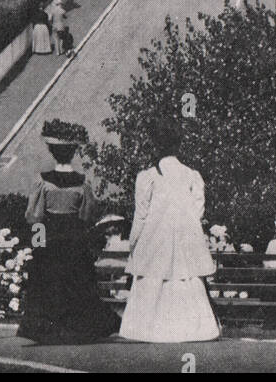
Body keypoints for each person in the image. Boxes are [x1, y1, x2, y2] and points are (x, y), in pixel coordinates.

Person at [119, 118, 220, 343]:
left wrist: (133, 245)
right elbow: (198, 212)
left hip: (154, 241)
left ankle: (151, 330)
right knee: (187, 279)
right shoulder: (192, 175)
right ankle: (191, 329)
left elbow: (141, 216)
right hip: (185, 239)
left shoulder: (148, 177)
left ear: (155, 145)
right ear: (179, 144)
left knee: (153, 279)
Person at [17, 151, 121, 344]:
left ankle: (50, 331)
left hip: (50, 238)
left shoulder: (43, 181)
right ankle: (78, 330)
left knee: (49, 283)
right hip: (74, 239)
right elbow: (87, 215)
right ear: (72, 154)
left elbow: (34, 216)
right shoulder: (82, 182)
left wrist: (37, 245)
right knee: (78, 283)